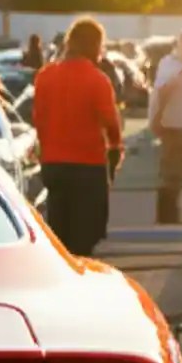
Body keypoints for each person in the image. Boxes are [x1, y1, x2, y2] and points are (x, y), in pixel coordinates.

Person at [31, 17, 124, 257]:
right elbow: (111, 123)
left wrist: (46, 151)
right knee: (86, 236)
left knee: (59, 232)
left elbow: (39, 119)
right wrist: (115, 149)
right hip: (87, 166)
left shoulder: (45, 76)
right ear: (95, 46)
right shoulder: (97, 80)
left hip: (54, 165)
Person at [149, 29, 182, 224]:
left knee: (173, 174)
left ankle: (167, 216)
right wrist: (158, 117)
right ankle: (167, 218)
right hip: (176, 128)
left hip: (178, 127)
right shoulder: (178, 68)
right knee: (173, 174)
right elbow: (166, 91)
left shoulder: (174, 65)